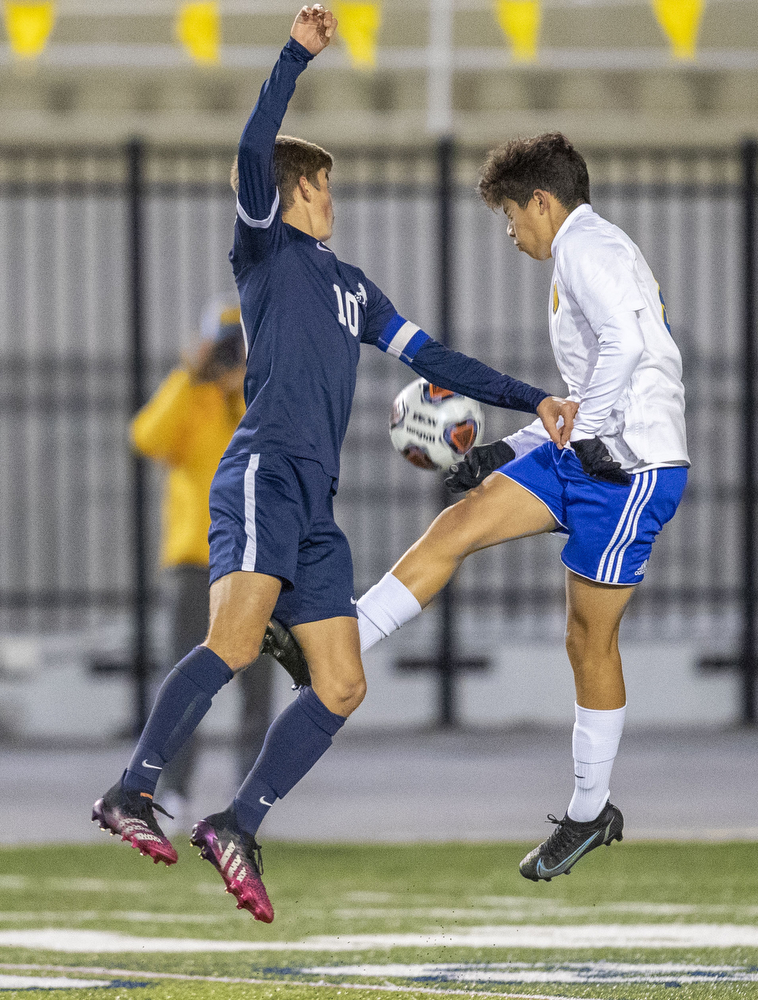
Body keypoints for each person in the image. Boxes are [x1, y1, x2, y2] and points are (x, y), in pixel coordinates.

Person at [93, 4, 562, 924]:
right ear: (291, 191)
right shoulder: (265, 251)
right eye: (322, 186)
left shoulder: (351, 286)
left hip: (315, 501)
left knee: (342, 683)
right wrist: (293, 56)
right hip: (264, 471)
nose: (331, 198)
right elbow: (253, 142)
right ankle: (132, 789)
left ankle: (238, 821)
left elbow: (433, 360)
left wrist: (528, 398)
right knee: (232, 644)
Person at [272, 132, 689, 883]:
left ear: (542, 202)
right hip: (587, 451)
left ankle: (592, 811)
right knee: (455, 528)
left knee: (586, 638)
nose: (509, 231)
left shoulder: (588, 249)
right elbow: (593, 383)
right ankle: (332, 648)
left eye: (509, 214)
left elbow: (629, 346)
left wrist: (587, 439)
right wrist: (509, 448)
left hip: (634, 466)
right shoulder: (578, 256)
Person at [129, 302, 276, 826]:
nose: (232, 356)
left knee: (257, 686)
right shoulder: (194, 399)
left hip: (257, 560)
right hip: (196, 560)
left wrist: (244, 383)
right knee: (188, 681)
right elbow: (148, 438)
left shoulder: (259, 396)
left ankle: (247, 794)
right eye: (226, 346)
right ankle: (173, 791)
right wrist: (191, 376)